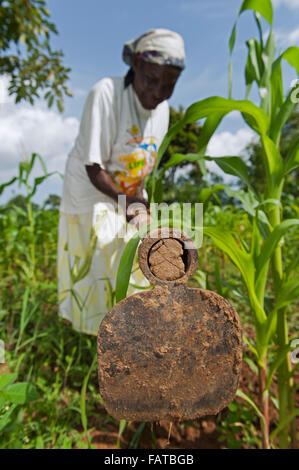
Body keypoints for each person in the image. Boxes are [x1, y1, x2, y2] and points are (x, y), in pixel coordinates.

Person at [57, 28, 186, 335]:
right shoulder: (106, 93)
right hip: (91, 190)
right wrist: (127, 202)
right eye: (151, 80)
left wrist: (140, 203)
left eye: (168, 85)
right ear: (136, 66)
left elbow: (142, 162)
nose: (157, 92)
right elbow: (93, 166)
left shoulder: (163, 110)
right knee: (97, 261)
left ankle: (128, 332)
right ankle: (94, 339)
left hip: (128, 194)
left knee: (134, 257)